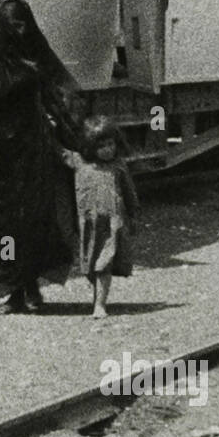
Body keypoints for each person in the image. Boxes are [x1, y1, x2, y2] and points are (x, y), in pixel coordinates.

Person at [0, 0, 83, 314]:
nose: (19, 31)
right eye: (13, 25)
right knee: (1, 225)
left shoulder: (35, 56)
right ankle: (14, 292)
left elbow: (61, 90)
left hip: (32, 156)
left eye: (23, 25)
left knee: (34, 223)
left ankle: (31, 289)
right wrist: (22, 79)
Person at [61, 115, 138, 318]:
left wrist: (133, 215)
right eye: (101, 145)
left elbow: (130, 193)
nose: (108, 149)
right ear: (89, 147)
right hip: (88, 225)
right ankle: (97, 298)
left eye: (110, 144)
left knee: (104, 263)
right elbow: (58, 151)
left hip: (112, 223)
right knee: (90, 264)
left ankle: (100, 305)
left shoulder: (118, 166)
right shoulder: (79, 162)